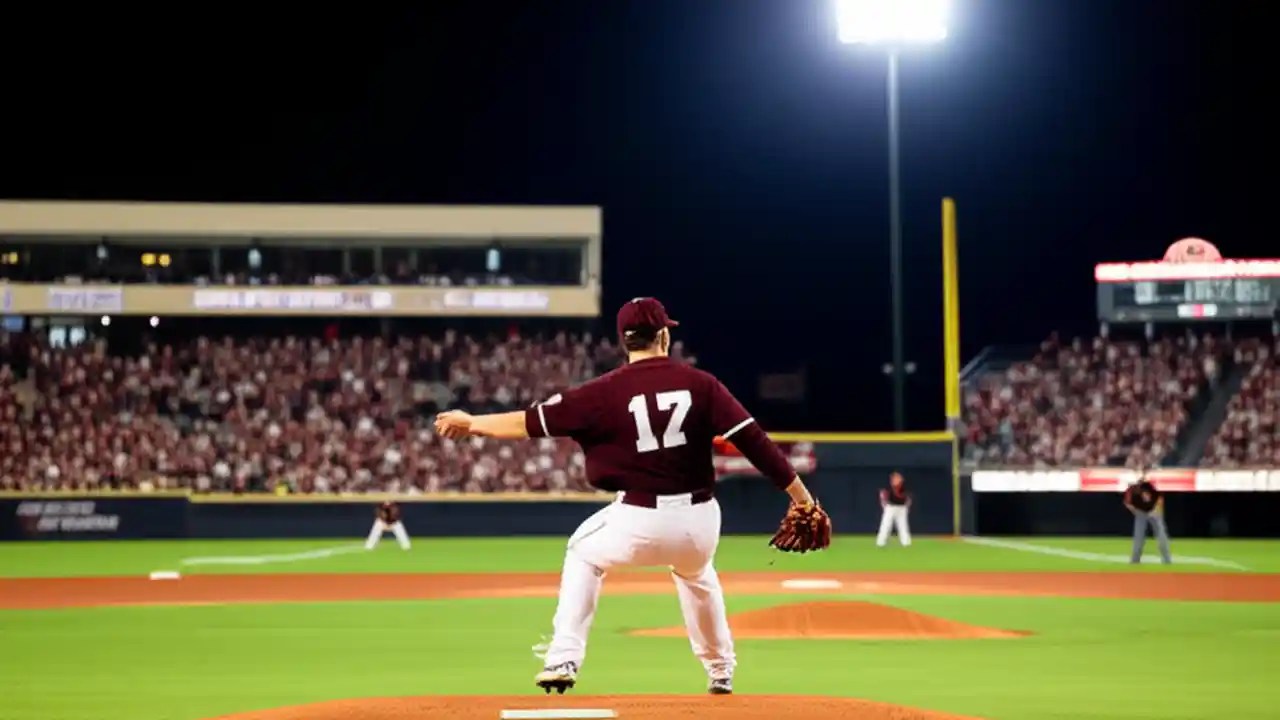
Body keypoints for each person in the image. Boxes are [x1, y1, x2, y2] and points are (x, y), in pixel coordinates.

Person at [434, 297, 819, 696]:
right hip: (700, 522)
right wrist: (803, 499)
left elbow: (529, 422)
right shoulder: (702, 384)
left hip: (637, 519)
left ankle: (563, 657)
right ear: (665, 335)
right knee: (698, 576)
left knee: (582, 552)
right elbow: (755, 443)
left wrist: (473, 423)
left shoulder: (601, 392)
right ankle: (721, 670)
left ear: (624, 342)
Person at [1124, 471, 1172, 564]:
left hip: (1154, 511)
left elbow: (1160, 498)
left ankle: (1167, 560)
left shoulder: (1150, 486)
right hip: (1141, 512)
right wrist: (1136, 512)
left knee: (1161, 535)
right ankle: (1135, 560)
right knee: (1139, 536)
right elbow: (1128, 504)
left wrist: (1156, 511)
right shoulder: (1131, 490)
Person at [875, 471, 911, 547]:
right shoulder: (888, 487)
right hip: (890, 507)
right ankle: (881, 542)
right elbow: (882, 495)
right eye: (896, 478)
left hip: (902, 508)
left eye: (899, 478)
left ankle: (906, 543)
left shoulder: (904, 487)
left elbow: (907, 497)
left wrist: (907, 506)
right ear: (892, 479)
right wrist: (884, 505)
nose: (898, 479)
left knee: (903, 525)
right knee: (886, 525)